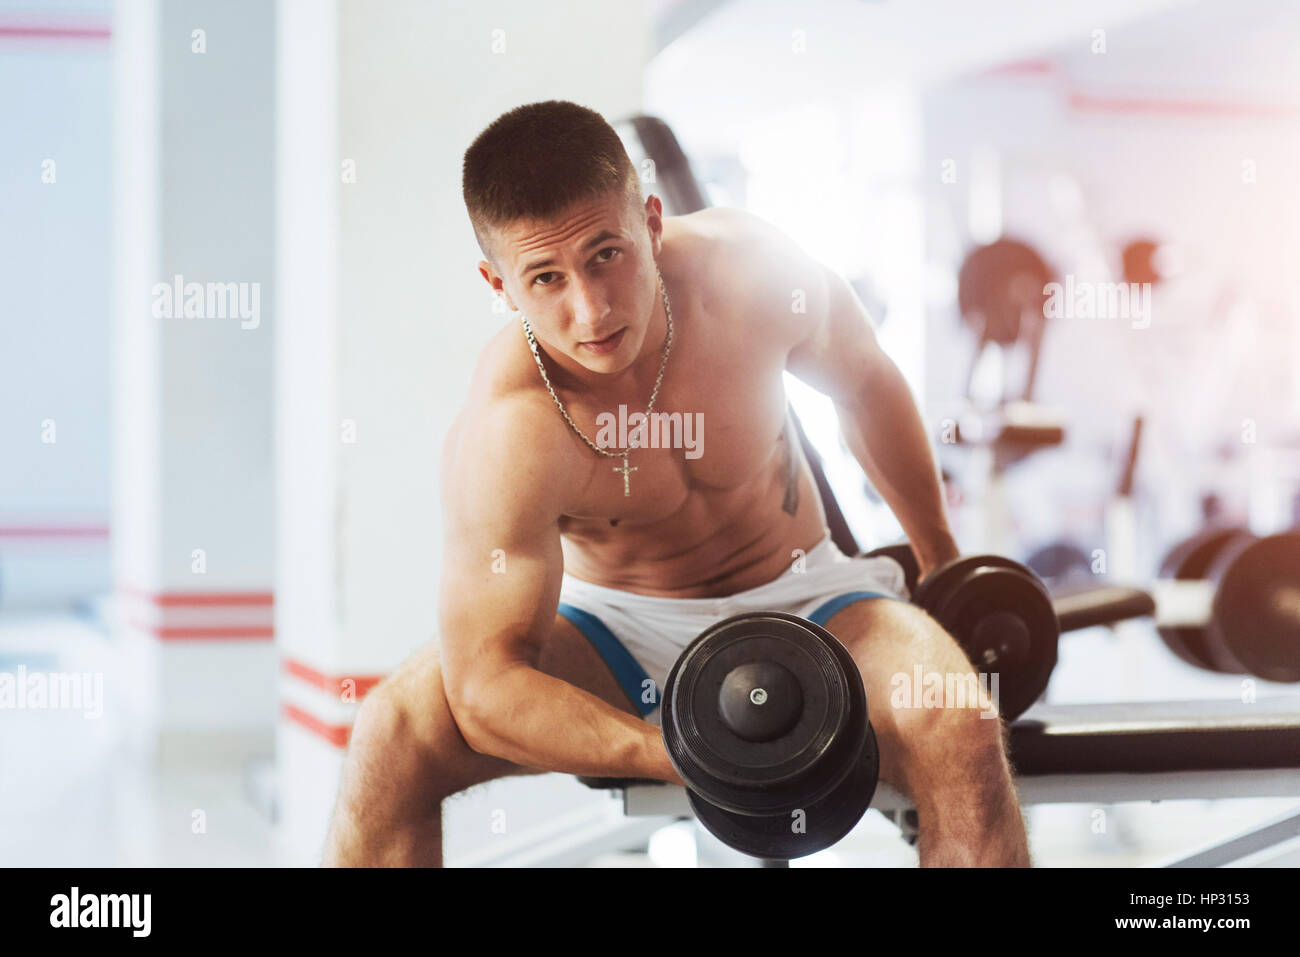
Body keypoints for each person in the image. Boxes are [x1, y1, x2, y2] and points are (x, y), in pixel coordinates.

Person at [322, 100, 1029, 867]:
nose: (589, 309)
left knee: (963, 723)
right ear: (499, 283)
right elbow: (486, 683)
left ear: (651, 222)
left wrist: (943, 558)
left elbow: (864, 384)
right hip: (614, 629)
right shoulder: (510, 429)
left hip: (810, 596)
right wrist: (671, 747)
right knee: (392, 731)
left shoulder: (753, 276)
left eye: (605, 255)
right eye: (546, 277)